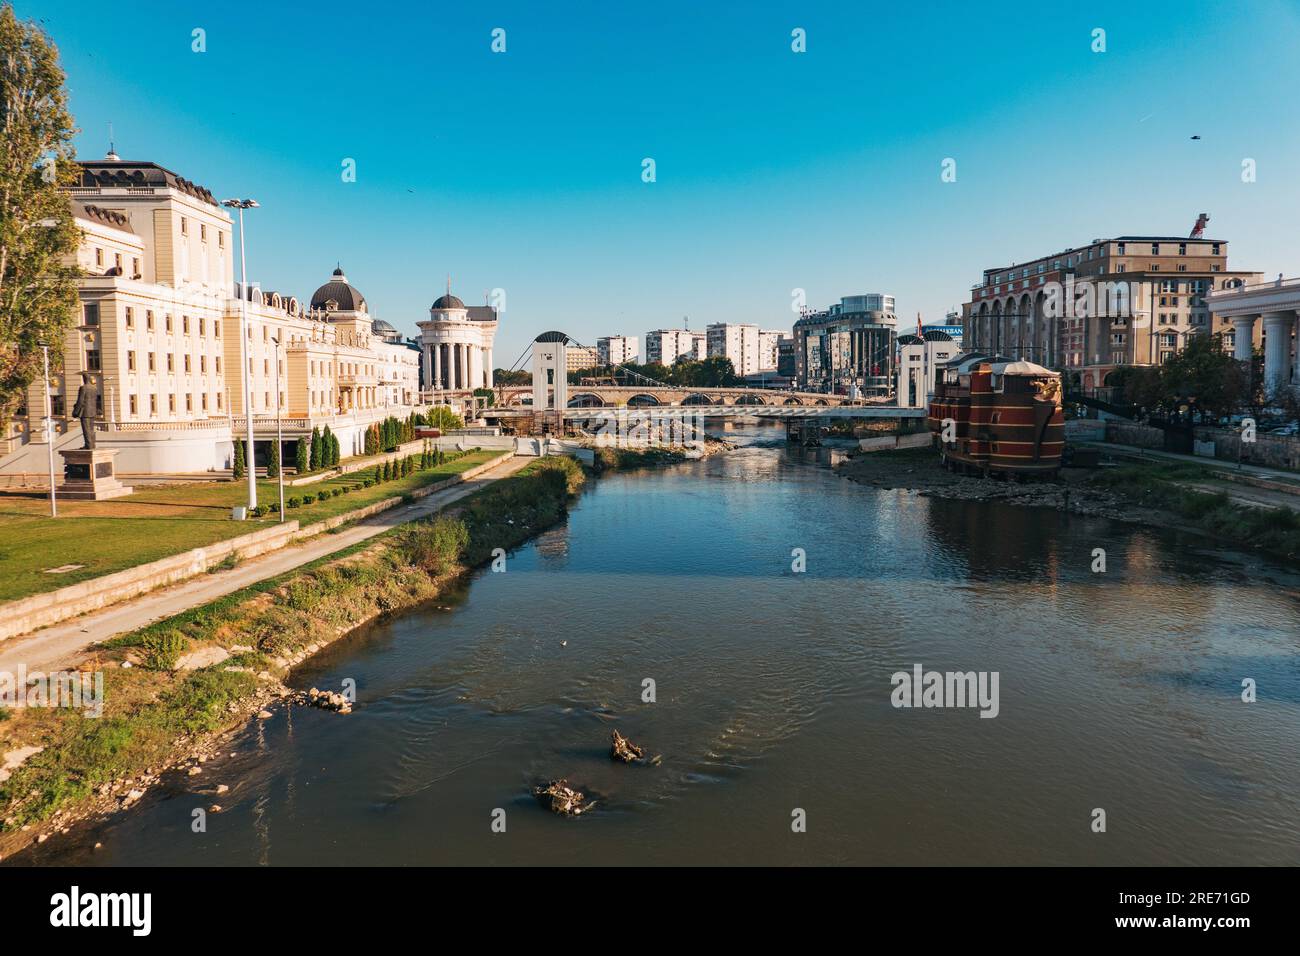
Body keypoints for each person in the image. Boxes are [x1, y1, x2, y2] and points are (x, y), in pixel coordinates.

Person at [71, 370, 98, 449]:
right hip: (92, 411)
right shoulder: (94, 388)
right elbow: (95, 400)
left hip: (85, 412)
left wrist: (75, 411)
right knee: (91, 429)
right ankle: (92, 444)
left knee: (86, 429)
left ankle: (88, 445)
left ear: (84, 379)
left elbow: (80, 400)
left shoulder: (83, 388)